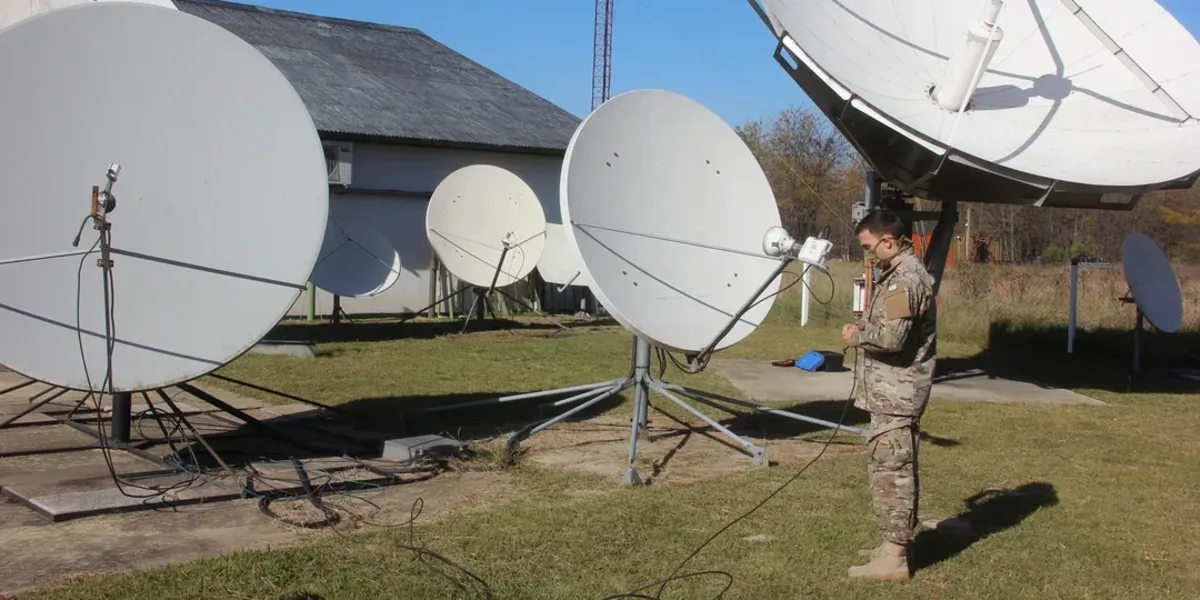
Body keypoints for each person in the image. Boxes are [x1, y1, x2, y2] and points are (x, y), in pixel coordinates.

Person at [840, 208, 937, 582]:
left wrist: (855, 337)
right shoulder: (896, 276)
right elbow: (889, 327)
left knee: (893, 468)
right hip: (889, 393)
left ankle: (895, 557)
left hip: (897, 393)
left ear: (888, 241)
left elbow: (892, 339)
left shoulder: (905, 282)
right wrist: (866, 324)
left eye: (869, 247)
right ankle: (891, 543)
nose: (867, 254)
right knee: (888, 464)